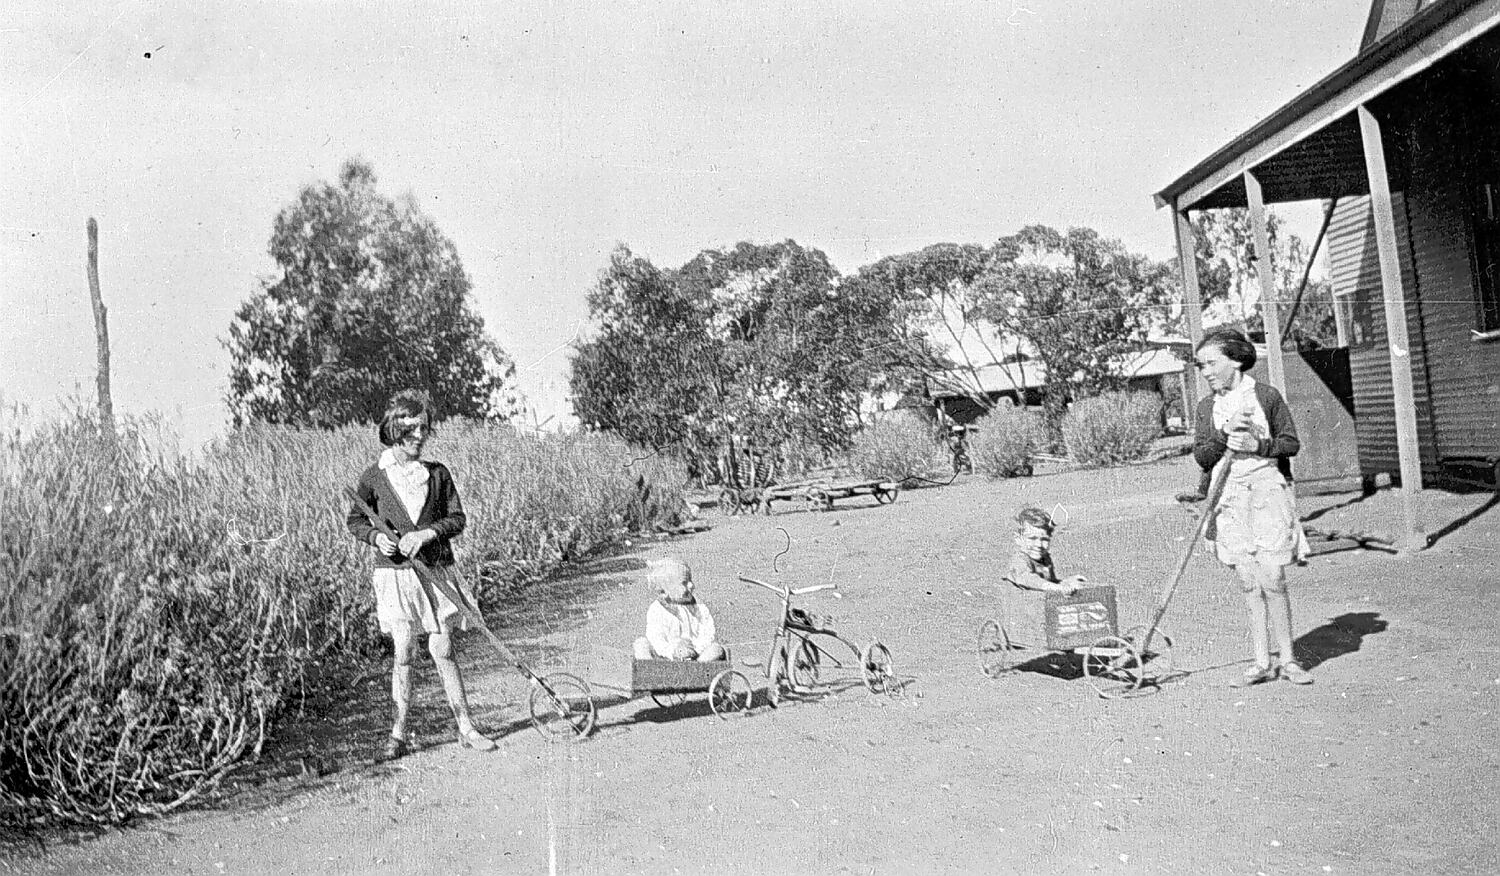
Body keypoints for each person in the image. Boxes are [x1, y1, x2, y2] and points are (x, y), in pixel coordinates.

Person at [346, 390, 497, 760]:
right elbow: (355, 520)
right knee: (404, 650)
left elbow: (457, 519)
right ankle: (397, 734)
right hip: (397, 577)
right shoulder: (374, 478)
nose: (419, 437)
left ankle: (466, 727)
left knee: (443, 647)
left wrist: (426, 534)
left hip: (436, 570)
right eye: (410, 430)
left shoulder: (437, 473)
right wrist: (378, 537)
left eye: (423, 430)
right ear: (393, 431)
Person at [1192, 329, 1314, 687]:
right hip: (1228, 494)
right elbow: (1202, 457)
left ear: (1236, 360)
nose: (1206, 371)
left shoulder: (1266, 396)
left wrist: (1258, 445)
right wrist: (1222, 434)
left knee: (1272, 577)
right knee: (1248, 580)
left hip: (1265, 491)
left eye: (1212, 363)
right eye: (1202, 366)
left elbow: (1291, 443)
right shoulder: (1206, 408)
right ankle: (1262, 662)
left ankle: (1289, 660)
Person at [632, 556, 727, 662]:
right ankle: (649, 671)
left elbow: (708, 632)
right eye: (684, 583)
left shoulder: (699, 606)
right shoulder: (656, 610)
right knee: (641, 644)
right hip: (665, 658)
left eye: (690, 580)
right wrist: (672, 651)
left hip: (696, 657)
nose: (691, 585)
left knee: (716, 649)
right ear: (664, 592)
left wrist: (695, 649)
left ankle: (696, 671)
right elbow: (655, 638)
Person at [1004, 507, 1088, 595]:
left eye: (1044, 539)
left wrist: (1065, 582)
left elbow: (1048, 582)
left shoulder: (1044, 558)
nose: (1039, 544)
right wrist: (1058, 587)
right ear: (1018, 539)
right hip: (1021, 605)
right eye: (1032, 538)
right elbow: (1028, 579)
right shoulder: (1020, 560)